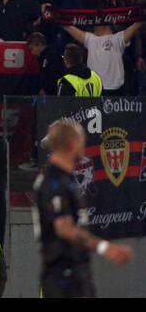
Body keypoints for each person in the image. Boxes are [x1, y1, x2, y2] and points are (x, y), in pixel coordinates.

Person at [34, 119, 132, 297]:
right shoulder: (55, 183)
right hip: (63, 277)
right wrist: (104, 247)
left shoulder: (66, 180)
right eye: (81, 141)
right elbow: (64, 228)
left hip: (75, 273)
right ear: (73, 143)